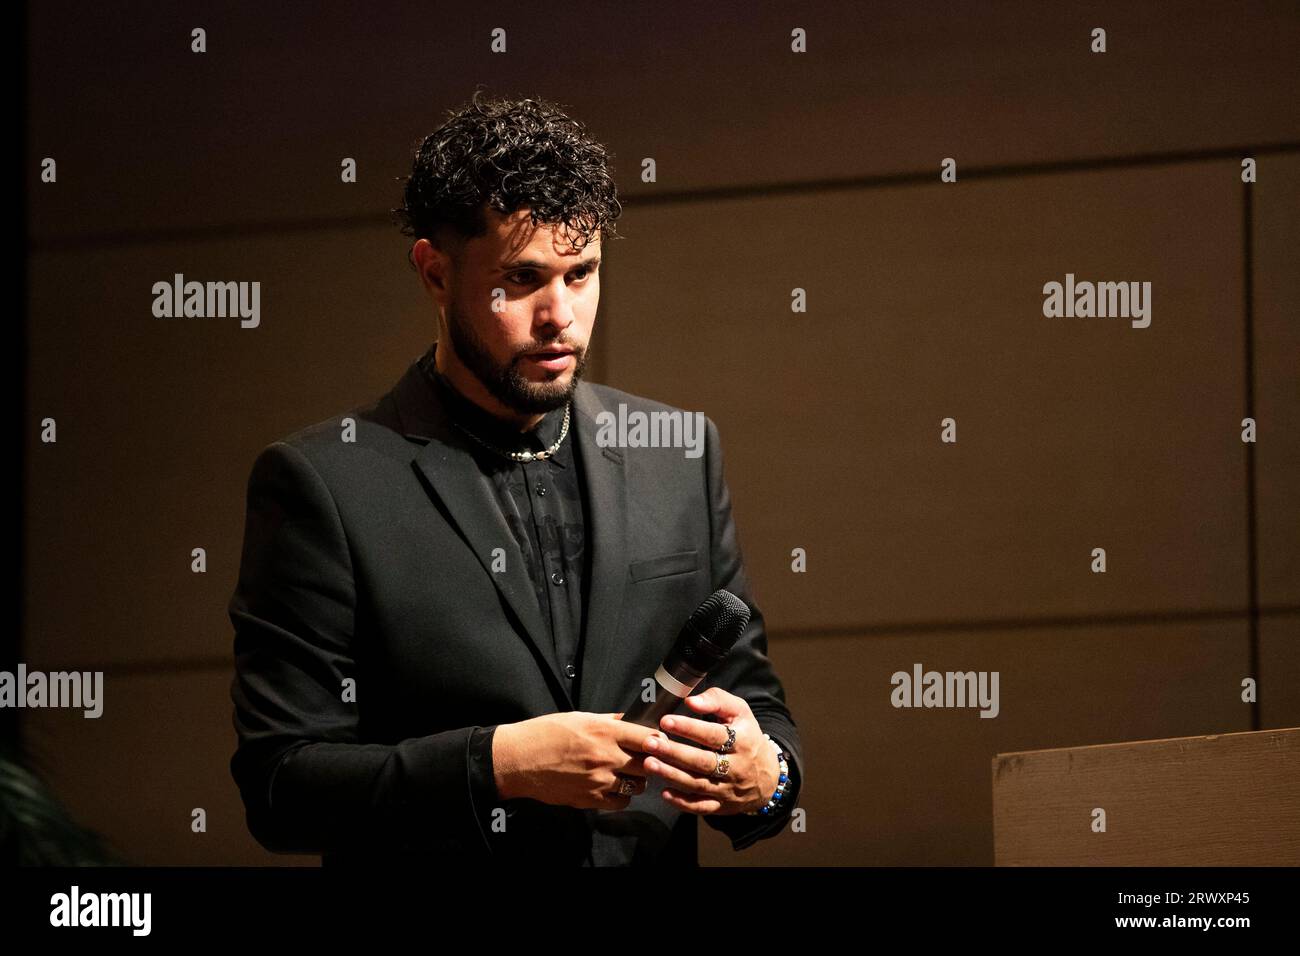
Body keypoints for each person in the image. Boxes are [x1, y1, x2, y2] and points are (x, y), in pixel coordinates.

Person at [228, 91, 803, 865]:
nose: (560, 315)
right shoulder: (322, 484)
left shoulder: (678, 454)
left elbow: (752, 706)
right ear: (435, 273)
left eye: (583, 272)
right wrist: (501, 765)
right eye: (524, 279)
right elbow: (281, 788)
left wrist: (768, 778)